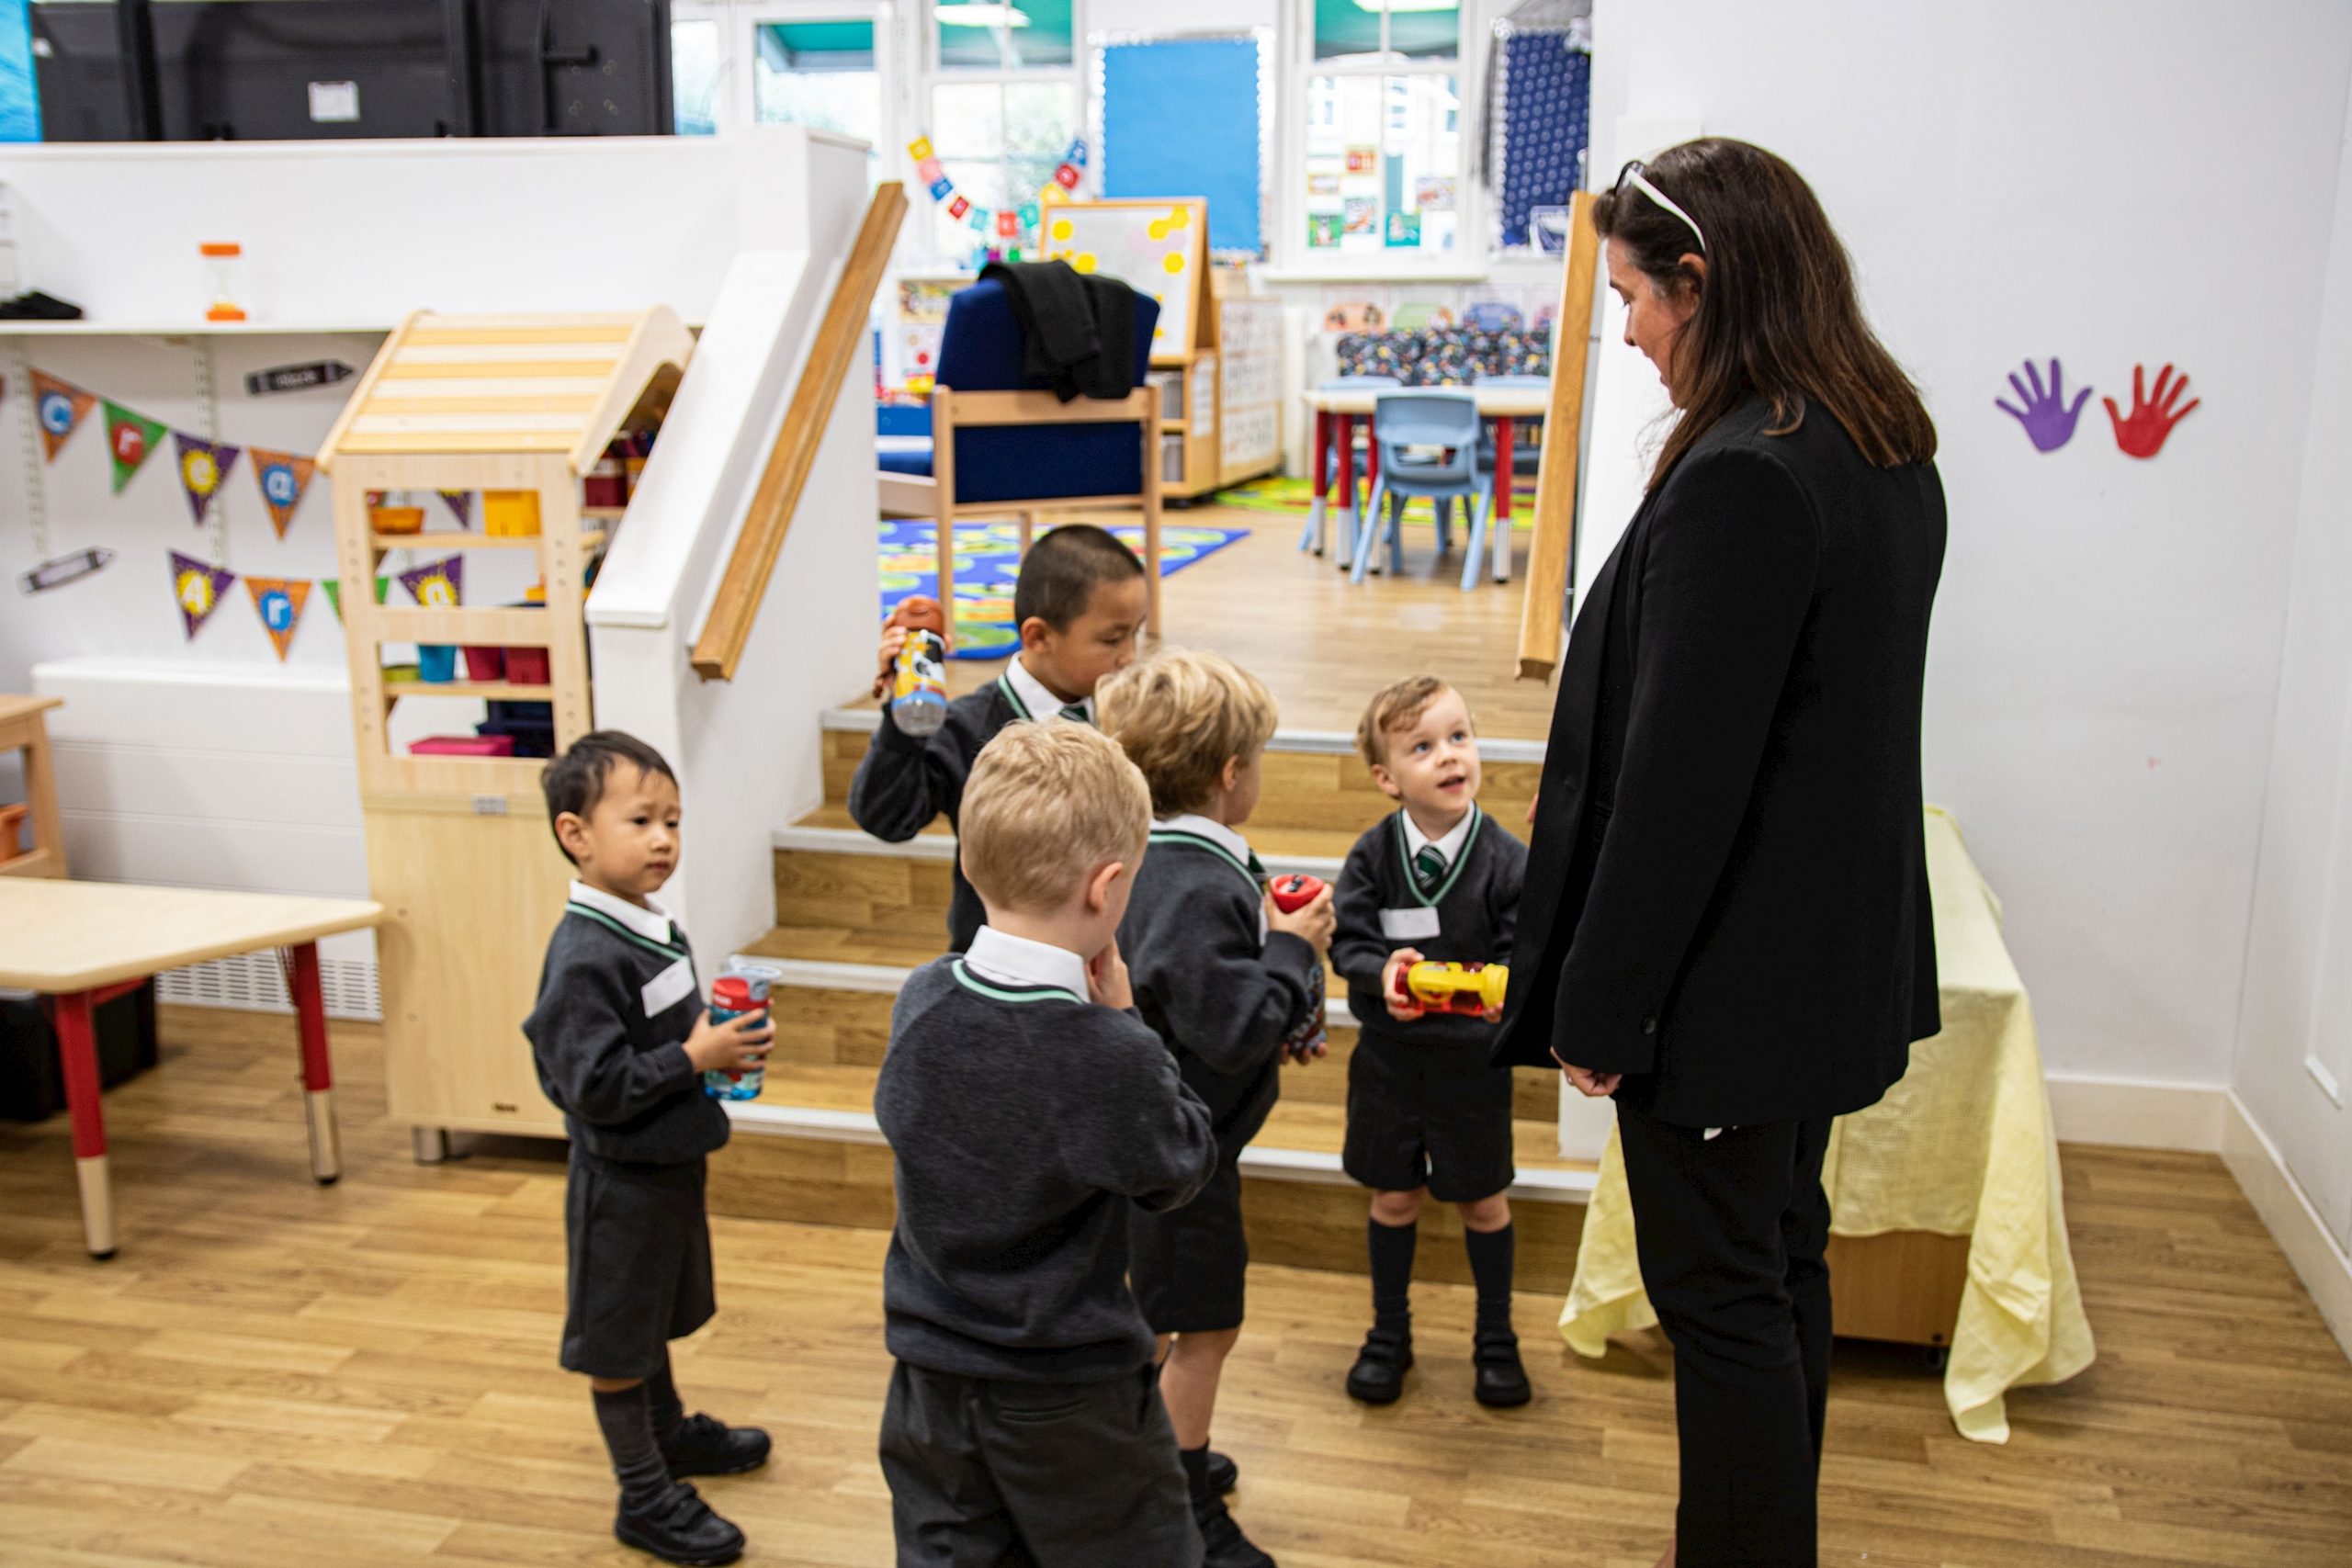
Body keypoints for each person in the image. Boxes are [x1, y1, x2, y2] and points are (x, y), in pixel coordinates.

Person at [1491, 139, 1946, 1568]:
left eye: (1635, 297)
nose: (1626, 333)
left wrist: (1603, 1005)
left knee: (1724, 1303)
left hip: (1730, 985)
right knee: (1777, 1265)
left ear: (1705, 279)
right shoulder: (1874, 439)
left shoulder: (1750, 476)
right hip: (1815, 963)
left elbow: (1679, 791)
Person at [873, 720, 1219, 1566]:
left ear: (970, 859)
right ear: (1106, 888)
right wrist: (1130, 1025)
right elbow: (1180, 1163)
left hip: (925, 1383)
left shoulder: (921, 995)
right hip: (1069, 1395)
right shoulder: (1105, 1051)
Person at [1100, 649, 1333, 1568]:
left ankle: (1155, 1456)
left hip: (1152, 1134)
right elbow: (1233, 1027)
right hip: (1183, 1157)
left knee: (1155, 1313)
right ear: (1229, 774)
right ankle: (1185, 1506)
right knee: (1203, 1325)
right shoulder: (1199, 883)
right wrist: (1291, 955)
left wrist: (1281, 1001)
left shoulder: (1143, 857)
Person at [523, 731, 777, 1567]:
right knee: (617, 1340)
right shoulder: (585, 952)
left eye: (673, 819)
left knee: (653, 1313)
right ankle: (643, 1494)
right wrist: (693, 1058)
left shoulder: (644, 925)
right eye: (640, 820)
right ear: (577, 834)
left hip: (668, 1164)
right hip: (619, 1185)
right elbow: (593, 1083)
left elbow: (666, 1035)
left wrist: (715, 1047)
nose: (664, 837)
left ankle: (668, 1434)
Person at [1330, 676, 1531, 1408]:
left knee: (1484, 1203)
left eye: (1459, 736)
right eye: (1423, 746)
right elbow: (1347, 941)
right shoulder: (1371, 857)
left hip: (1472, 1070)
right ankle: (1390, 1331)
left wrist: (1489, 981)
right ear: (1387, 777)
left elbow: (1522, 959)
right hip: (1389, 1065)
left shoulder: (1508, 861)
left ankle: (1496, 1336)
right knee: (1393, 1198)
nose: (1450, 757)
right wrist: (1378, 968)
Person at [849, 523, 1150, 953]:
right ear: (1038, 636)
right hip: (998, 979)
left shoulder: (1129, 717)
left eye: (1136, 632)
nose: (1129, 656)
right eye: (1112, 639)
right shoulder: (968, 727)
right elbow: (886, 818)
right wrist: (904, 719)